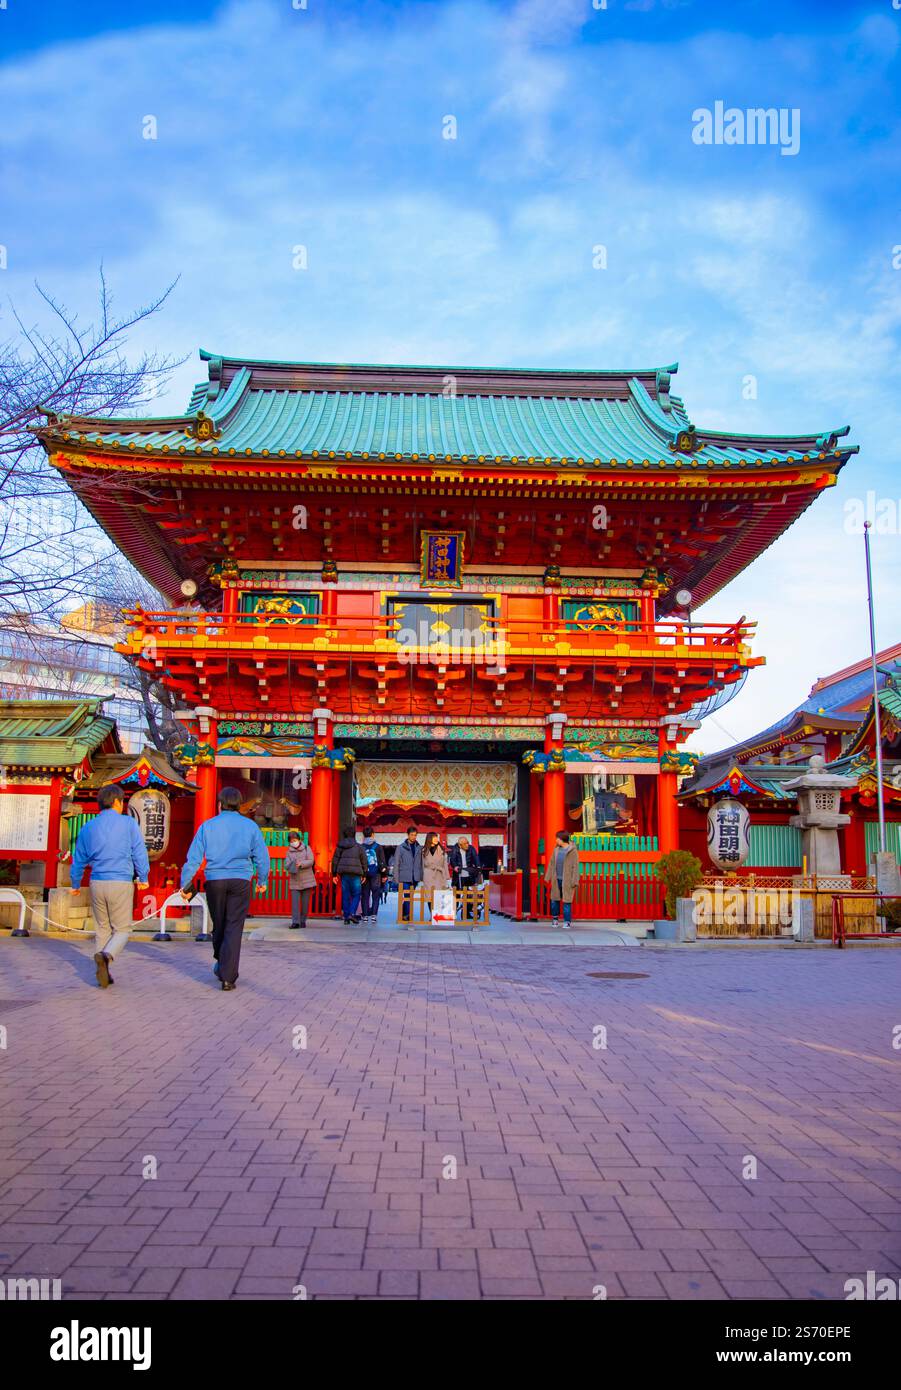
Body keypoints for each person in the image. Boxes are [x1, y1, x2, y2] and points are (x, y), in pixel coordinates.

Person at [180, 785, 270, 990]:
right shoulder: (250, 827)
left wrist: (185, 883)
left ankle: (222, 964)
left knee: (219, 924)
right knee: (234, 927)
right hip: (240, 880)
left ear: (220, 804)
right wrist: (262, 880)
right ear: (240, 805)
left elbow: (193, 857)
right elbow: (262, 857)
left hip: (215, 879)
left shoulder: (207, 826)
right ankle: (227, 975)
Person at [70, 783, 150, 990]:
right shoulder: (128, 823)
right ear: (117, 802)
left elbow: (78, 858)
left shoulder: (88, 826)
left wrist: (75, 883)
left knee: (102, 928)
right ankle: (106, 956)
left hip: (97, 881)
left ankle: (102, 972)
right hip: (120, 881)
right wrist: (143, 876)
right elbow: (139, 852)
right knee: (122, 929)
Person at [331, 825, 368, 925]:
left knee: (346, 895)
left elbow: (335, 860)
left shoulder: (340, 846)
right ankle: (351, 913)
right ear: (354, 835)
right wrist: (364, 874)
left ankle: (346, 917)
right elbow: (364, 861)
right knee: (356, 894)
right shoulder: (359, 847)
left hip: (344, 874)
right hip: (356, 873)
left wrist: (334, 874)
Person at [545, 829, 580, 929]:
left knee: (567, 901)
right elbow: (551, 864)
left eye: (557, 838)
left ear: (562, 839)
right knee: (554, 900)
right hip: (557, 879)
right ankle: (555, 919)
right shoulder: (556, 850)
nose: (556, 840)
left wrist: (574, 880)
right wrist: (548, 877)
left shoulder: (572, 851)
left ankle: (567, 921)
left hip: (567, 880)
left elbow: (575, 866)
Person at [284, 831, 315, 929]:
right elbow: (286, 864)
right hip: (295, 879)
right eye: (292, 841)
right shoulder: (288, 852)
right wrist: (292, 864)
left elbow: (311, 861)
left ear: (299, 840)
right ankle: (295, 922)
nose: (294, 842)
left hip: (307, 879)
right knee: (295, 903)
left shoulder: (307, 848)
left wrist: (301, 864)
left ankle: (303, 920)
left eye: (295, 840)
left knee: (305, 903)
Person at [392, 825, 422, 922]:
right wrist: (395, 878)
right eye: (412, 835)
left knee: (410, 897)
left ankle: (404, 913)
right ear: (408, 835)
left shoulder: (419, 847)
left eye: (415, 835)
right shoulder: (401, 847)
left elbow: (421, 862)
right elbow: (396, 863)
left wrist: (421, 876)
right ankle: (407, 915)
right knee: (407, 896)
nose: (414, 837)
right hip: (404, 876)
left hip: (414, 876)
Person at [449, 835, 482, 921]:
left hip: (469, 872)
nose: (467, 844)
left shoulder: (471, 848)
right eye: (465, 843)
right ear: (460, 845)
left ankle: (466, 913)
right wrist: (455, 866)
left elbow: (476, 857)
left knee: (468, 893)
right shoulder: (455, 849)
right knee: (456, 894)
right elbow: (452, 859)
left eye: (467, 842)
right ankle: (453, 914)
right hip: (458, 873)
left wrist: (478, 867)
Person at [359, 825, 387, 923]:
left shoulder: (361, 847)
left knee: (365, 895)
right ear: (373, 834)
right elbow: (382, 862)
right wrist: (384, 875)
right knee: (375, 895)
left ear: (363, 835)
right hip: (376, 874)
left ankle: (365, 915)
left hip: (364, 875)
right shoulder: (378, 847)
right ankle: (374, 915)